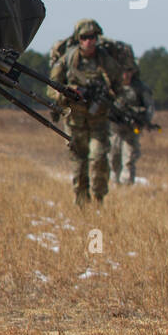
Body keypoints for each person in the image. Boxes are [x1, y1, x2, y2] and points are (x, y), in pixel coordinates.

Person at [48, 19, 126, 206]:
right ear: (78, 39)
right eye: (84, 37)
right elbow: (51, 87)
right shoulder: (68, 59)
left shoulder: (106, 61)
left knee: (99, 159)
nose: (89, 41)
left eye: (92, 37)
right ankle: (82, 203)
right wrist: (69, 93)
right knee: (79, 163)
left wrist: (109, 97)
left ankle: (99, 200)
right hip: (75, 121)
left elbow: (120, 87)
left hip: (99, 121)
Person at [108, 63, 155, 185]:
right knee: (113, 156)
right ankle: (114, 183)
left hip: (132, 128)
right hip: (114, 128)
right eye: (124, 71)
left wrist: (144, 121)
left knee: (129, 157)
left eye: (129, 71)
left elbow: (149, 107)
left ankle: (127, 185)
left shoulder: (140, 88)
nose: (126, 74)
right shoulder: (112, 87)